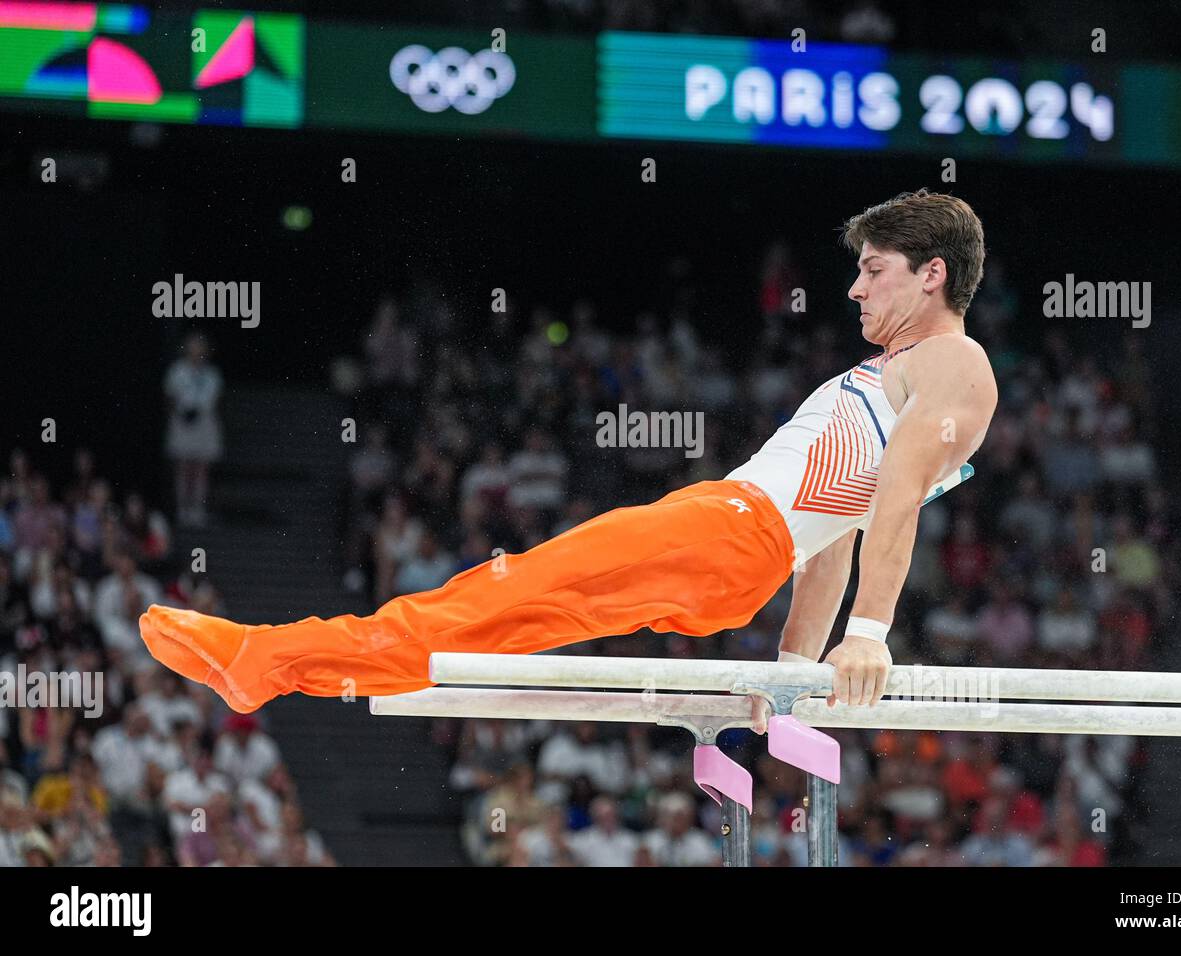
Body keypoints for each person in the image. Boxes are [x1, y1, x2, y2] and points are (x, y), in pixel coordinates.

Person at [138, 189, 999, 719]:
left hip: (730, 533)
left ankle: (270, 659)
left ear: (931, 274)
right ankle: (282, 668)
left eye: (874, 270)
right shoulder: (896, 374)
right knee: (502, 620)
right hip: (741, 550)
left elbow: (889, 501)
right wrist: (791, 677)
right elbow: (838, 535)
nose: (854, 287)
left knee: (507, 594)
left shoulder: (953, 363)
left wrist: (872, 635)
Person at [164, 332, 223, 528]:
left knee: (201, 469)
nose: (196, 351)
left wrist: (198, 411)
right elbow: (170, 396)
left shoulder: (212, 374)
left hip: (203, 421)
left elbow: (212, 399)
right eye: (193, 347)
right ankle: (183, 510)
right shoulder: (177, 371)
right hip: (182, 420)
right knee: (183, 468)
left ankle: (197, 510)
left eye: (200, 347)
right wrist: (181, 413)